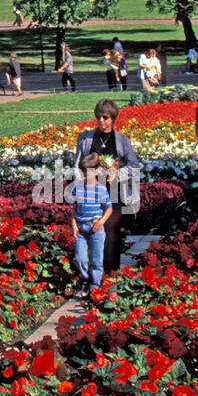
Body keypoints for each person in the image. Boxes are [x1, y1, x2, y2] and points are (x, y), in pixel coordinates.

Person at [74, 100, 140, 277]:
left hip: (114, 192)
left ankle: (110, 272)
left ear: (113, 118)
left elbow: (134, 166)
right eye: (99, 117)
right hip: (91, 191)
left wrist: (117, 174)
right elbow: (77, 165)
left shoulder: (122, 141)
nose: (101, 121)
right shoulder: (85, 138)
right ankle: (96, 271)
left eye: (105, 118)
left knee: (110, 229)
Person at [71, 153, 113, 300]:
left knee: (96, 260)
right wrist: (74, 225)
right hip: (81, 229)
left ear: (96, 171)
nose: (86, 176)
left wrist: (100, 222)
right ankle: (85, 279)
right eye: (84, 172)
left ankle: (95, 286)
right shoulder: (78, 188)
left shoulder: (101, 190)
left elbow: (109, 209)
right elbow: (74, 208)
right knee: (79, 258)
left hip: (96, 229)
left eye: (89, 172)